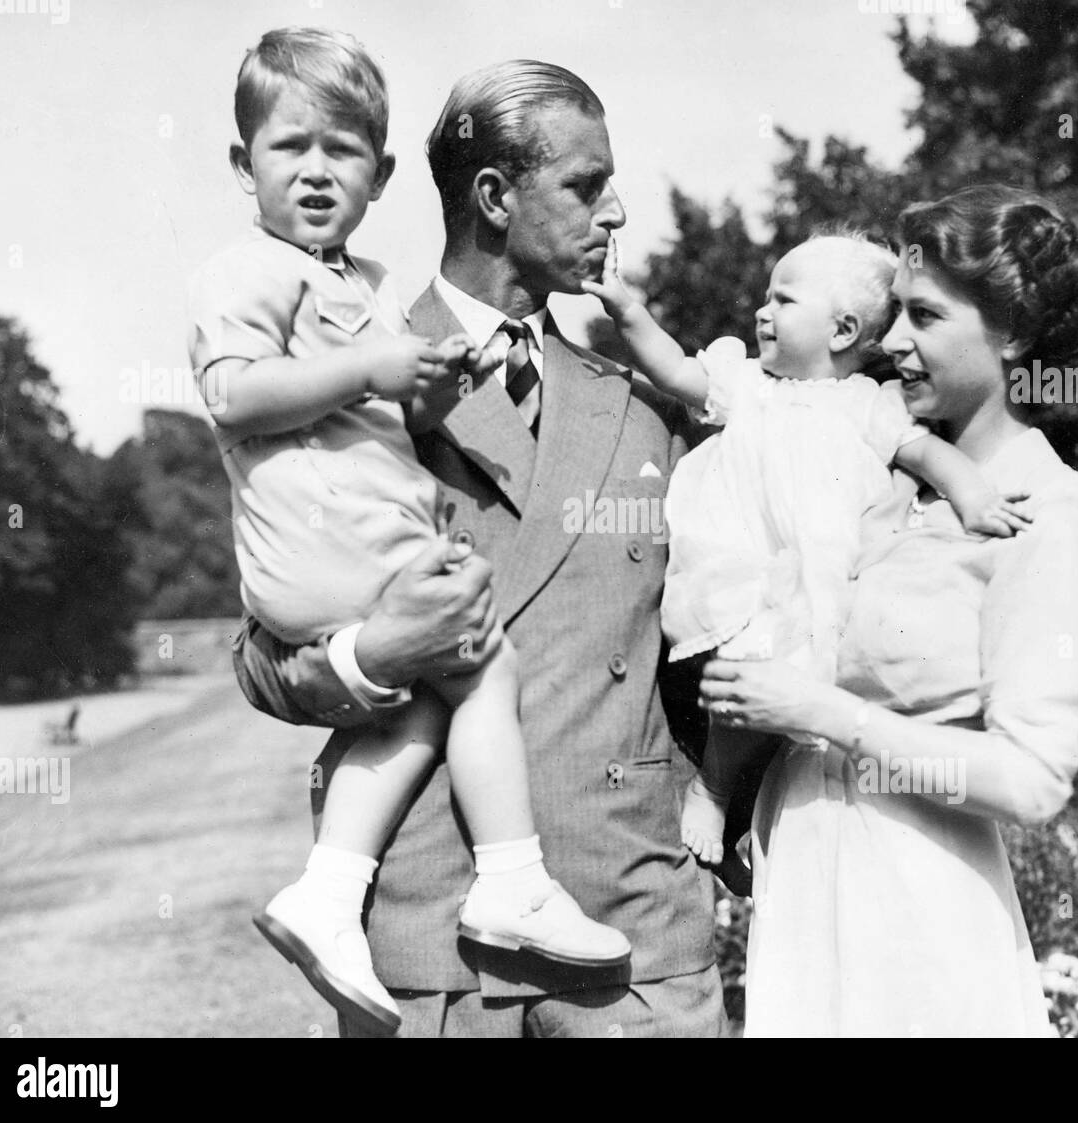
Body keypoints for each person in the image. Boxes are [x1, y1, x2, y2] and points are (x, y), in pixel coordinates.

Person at [229, 58, 725, 1038]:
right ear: (494, 196)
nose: (616, 211)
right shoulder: (336, 376)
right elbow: (257, 654)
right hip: (430, 943)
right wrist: (370, 656)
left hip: (630, 942)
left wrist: (715, 807)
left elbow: (723, 631)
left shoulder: (642, 410)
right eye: (588, 184)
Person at [697, 185, 1078, 1036]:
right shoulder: (873, 487)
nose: (892, 342)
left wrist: (824, 712)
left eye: (924, 318)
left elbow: (1030, 778)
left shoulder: (1054, 513)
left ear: (1012, 334)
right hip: (805, 899)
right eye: (893, 312)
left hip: (922, 922)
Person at [584, 230, 1032, 866]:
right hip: (740, 566)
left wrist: (974, 494)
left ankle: (747, 815)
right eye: (766, 297)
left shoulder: (866, 406)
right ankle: (713, 787)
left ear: (843, 330)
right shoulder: (746, 384)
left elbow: (927, 453)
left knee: (793, 692)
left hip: (818, 579)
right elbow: (677, 371)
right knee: (742, 679)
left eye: (784, 300)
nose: (762, 311)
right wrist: (626, 308)